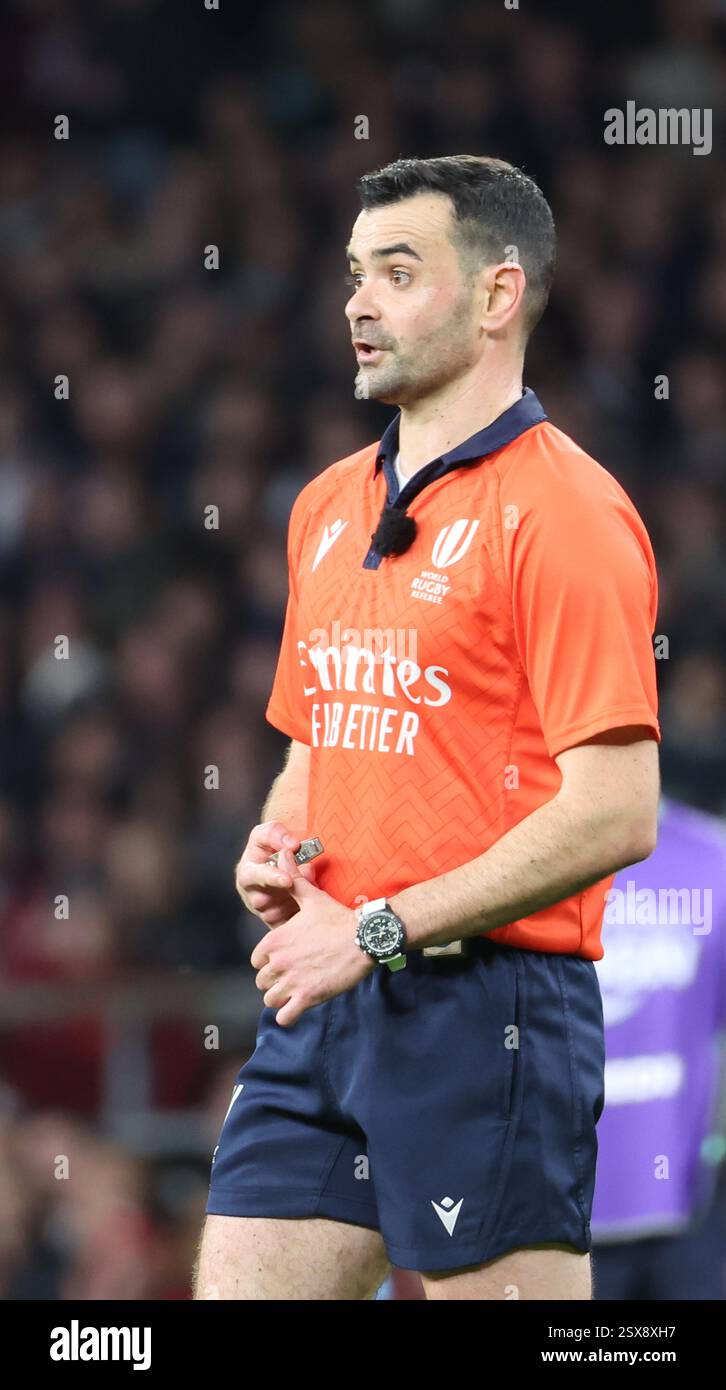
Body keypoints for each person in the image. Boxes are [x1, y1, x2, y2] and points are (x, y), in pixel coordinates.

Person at [193, 155, 661, 1300]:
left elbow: (617, 809)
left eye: (398, 273)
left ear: (499, 297)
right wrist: (280, 839)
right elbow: (319, 738)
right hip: (329, 1000)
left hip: (489, 1009)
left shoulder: (568, 514)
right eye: (356, 272)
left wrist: (382, 928)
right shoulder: (323, 504)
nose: (357, 301)